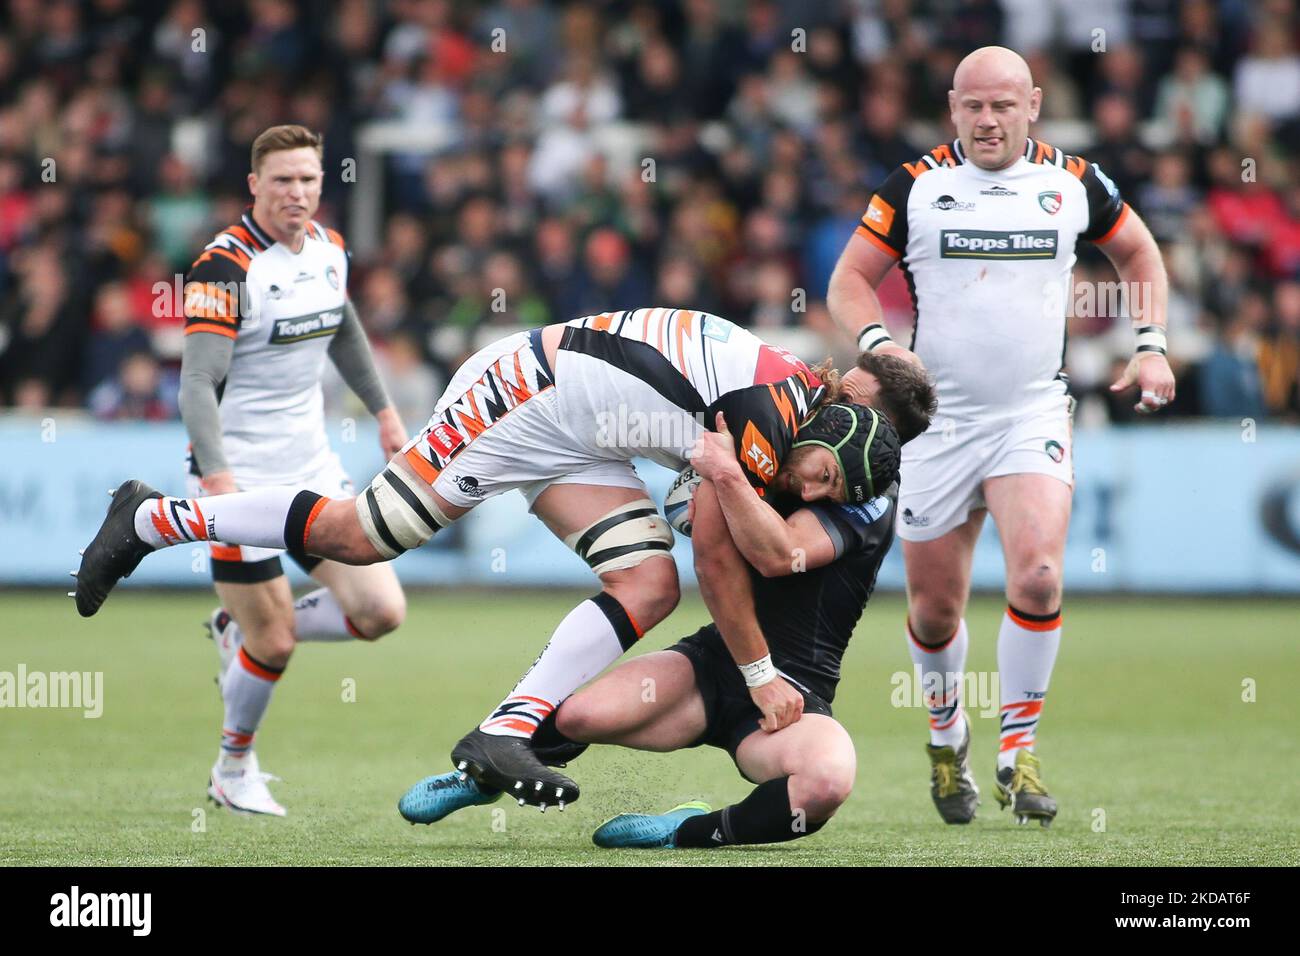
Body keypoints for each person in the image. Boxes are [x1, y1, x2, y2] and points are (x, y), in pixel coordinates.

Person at [74, 306, 885, 810]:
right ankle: (150, 516)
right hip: (527, 396)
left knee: (647, 581)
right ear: (825, 428)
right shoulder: (767, 416)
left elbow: (701, 500)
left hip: (577, 423)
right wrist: (757, 677)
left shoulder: (786, 400)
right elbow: (719, 558)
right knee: (363, 535)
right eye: (818, 478)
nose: (807, 493)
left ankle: (504, 731)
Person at [825, 46, 1177, 827]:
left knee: (1041, 577)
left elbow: (1139, 252)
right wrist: (879, 344)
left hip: (1030, 414)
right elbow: (847, 279)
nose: (988, 120)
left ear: (1034, 104)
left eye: (1004, 105)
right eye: (974, 106)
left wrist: (1150, 343)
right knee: (935, 615)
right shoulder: (915, 187)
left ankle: (1018, 758)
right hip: (934, 425)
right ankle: (948, 745)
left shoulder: (1073, 183)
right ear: (953, 108)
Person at [396, 360, 936, 848]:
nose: (830, 390)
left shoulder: (866, 497)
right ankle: (482, 773)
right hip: (710, 666)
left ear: (872, 428)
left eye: (849, 397)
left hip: (786, 691)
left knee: (826, 781)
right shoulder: (777, 433)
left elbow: (779, 553)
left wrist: (724, 474)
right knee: (581, 714)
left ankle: (686, 828)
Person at [175, 124, 408, 816]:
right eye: (282, 180)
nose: (297, 193)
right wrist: (218, 481)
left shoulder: (331, 249)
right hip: (239, 477)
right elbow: (195, 384)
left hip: (312, 468)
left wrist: (386, 412)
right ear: (255, 185)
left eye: (308, 179)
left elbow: (343, 329)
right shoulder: (223, 268)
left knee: (381, 611)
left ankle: (232, 632)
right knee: (274, 641)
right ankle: (231, 769)